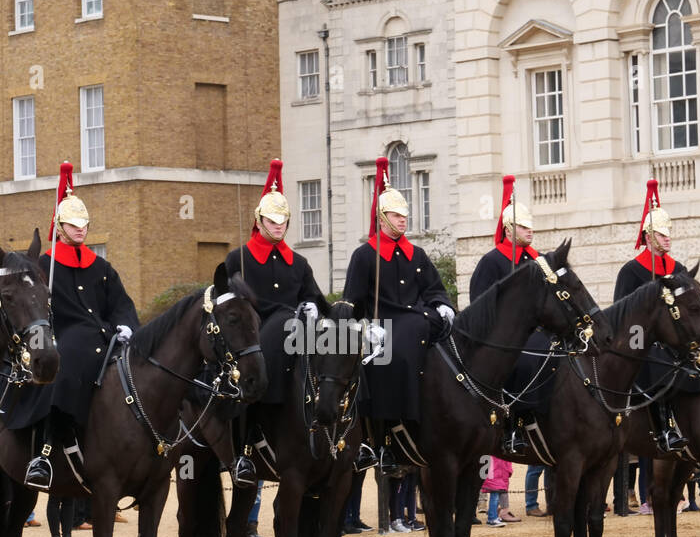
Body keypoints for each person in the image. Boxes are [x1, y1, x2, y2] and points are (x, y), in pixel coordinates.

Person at [11, 162, 138, 489]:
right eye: (73, 224)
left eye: (83, 224)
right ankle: (44, 451)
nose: (80, 229)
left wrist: (125, 326)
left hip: (105, 339)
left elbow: (121, 304)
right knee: (64, 363)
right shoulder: (44, 266)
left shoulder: (102, 267)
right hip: (62, 337)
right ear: (60, 227)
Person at [342, 155, 453, 474]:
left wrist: (443, 304)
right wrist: (364, 327)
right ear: (382, 217)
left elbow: (433, 288)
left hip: (419, 320)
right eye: (395, 214)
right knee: (398, 350)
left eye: (404, 214)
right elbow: (352, 302)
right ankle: (384, 439)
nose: (403, 219)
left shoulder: (416, 254)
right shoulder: (365, 256)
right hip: (381, 328)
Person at [223, 159, 327, 486]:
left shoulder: (299, 263)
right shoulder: (238, 258)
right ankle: (243, 451)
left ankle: (346, 435)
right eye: (272, 219)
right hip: (252, 334)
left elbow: (315, 298)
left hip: (296, 332)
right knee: (251, 371)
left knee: (340, 352)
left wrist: (312, 307)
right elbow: (228, 305)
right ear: (259, 220)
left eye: (283, 220)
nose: (278, 225)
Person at [614, 180, 700, 456]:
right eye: (661, 234)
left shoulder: (677, 268)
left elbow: (696, 300)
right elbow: (621, 312)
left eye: (669, 233)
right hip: (643, 343)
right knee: (660, 365)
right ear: (648, 237)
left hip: (676, 341)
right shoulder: (631, 271)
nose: (668, 237)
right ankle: (664, 429)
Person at [469, 176, 551, 458]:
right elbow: (479, 301)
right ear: (508, 228)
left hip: (537, 330)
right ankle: (515, 424)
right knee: (525, 359)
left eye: (531, 226)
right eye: (524, 227)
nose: (530, 231)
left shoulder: (537, 261)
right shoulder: (492, 261)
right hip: (503, 335)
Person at [482, 456, 513, 527]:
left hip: (497, 476)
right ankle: (492, 518)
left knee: (496, 496)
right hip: (496, 476)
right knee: (495, 497)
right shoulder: (496, 454)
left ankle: (493, 515)